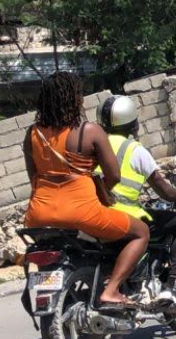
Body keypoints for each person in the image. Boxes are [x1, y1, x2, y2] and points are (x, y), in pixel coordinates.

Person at [22, 72, 149, 313]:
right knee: (141, 232)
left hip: (39, 215)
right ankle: (111, 290)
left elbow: (34, 178)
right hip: (82, 213)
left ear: (43, 100)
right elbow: (113, 176)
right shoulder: (89, 131)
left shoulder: (33, 134)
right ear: (75, 99)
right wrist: (102, 192)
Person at [95, 95, 176, 314]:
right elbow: (166, 192)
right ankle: (169, 288)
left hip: (95, 214)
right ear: (132, 122)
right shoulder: (136, 151)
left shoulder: (94, 146)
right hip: (125, 216)